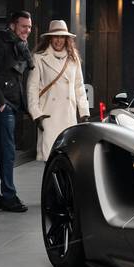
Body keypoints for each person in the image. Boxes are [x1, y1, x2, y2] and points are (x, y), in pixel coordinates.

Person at [0, 11, 34, 212]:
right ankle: (9, 197)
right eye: (23, 26)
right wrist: (1, 103)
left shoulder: (19, 46)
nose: (27, 30)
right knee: (8, 152)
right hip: (4, 106)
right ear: (13, 25)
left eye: (29, 27)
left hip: (12, 104)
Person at [26, 19, 90, 163]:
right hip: (49, 115)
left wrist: (84, 113)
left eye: (62, 37)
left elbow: (79, 87)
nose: (59, 40)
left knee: (68, 158)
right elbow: (32, 88)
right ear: (50, 38)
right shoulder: (39, 57)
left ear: (67, 39)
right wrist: (36, 114)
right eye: (55, 36)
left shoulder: (73, 59)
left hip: (68, 116)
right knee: (50, 159)